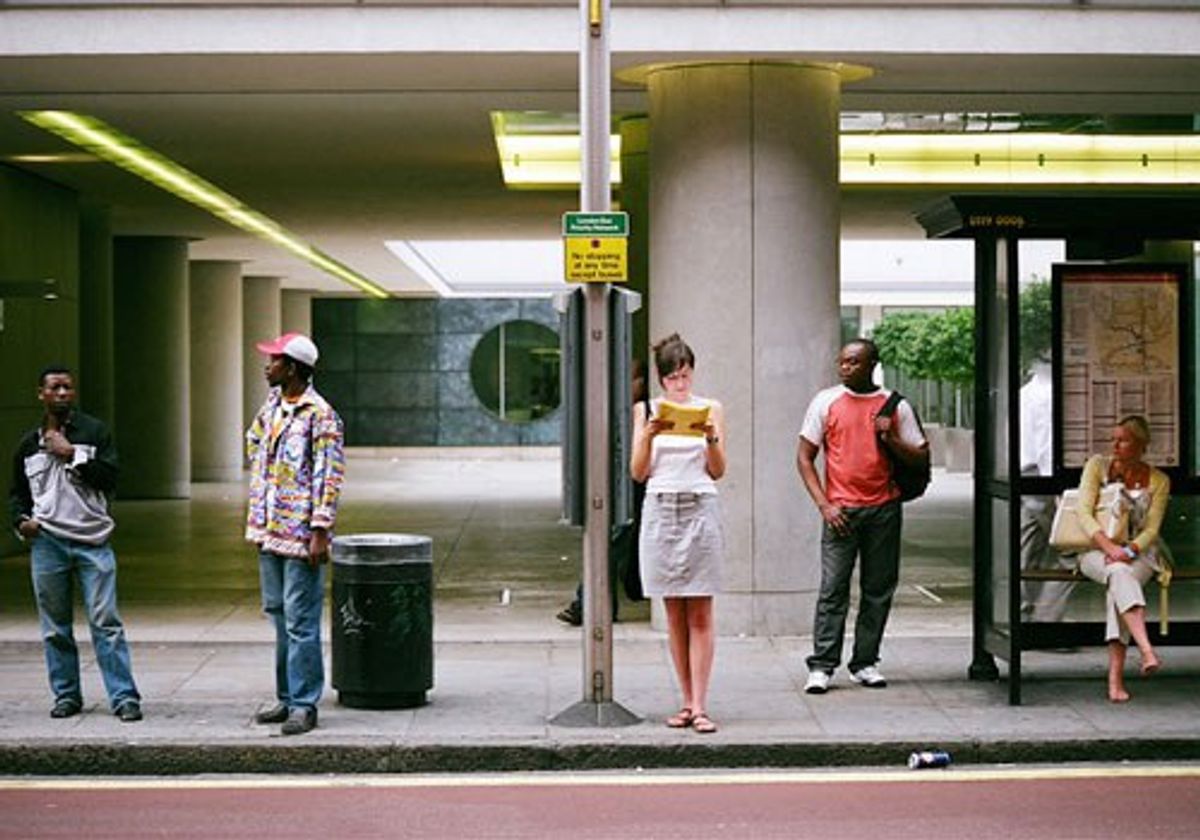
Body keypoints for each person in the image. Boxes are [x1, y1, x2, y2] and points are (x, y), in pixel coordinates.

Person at [9, 367, 142, 722]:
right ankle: (66, 695)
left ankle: (124, 697)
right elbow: (17, 495)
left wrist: (72, 454)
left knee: (105, 621)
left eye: (68, 387)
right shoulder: (27, 444)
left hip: (92, 541)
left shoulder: (95, 432)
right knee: (55, 627)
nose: (63, 393)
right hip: (47, 544)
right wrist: (22, 521)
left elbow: (111, 478)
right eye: (55, 388)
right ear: (41, 393)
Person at [795, 339, 929, 694]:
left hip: (884, 509)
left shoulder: (894, 406)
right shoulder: (825, 402)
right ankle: (822, 666)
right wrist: (824, 504)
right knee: (832, 590)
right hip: (841, 512)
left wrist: (890, 438)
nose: (845, 368)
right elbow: (804, 457)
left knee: (878, 590)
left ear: (872, 364)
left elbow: (920, 457)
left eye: (853, 362)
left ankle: (865, 662)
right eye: (842, 362)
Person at [246, 333, 345, 735]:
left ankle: (304, 704)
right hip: (269, 530)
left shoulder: (321, 414)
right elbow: (253, 441)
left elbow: (330, 475)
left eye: (273, 360)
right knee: (278, 615)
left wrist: (320, 529)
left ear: (292, 367)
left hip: (302, 533)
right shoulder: (272, 406)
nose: (266, 365)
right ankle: (287, 699)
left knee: (301, 622)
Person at [632, 334, 726, 734]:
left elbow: (718, 470)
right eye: (672, 378)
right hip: (660, 507)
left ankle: (701, 705)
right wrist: (649, 434)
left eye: (685, 375)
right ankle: (685, 701)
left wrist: (710, 437)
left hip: (700, 505)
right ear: (661, 378)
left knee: (701, 611)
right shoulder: (646, 410)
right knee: (674, 614)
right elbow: (638, 472)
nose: (680, 385)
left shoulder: (711, 408)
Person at [1074, 415, 1168, 703]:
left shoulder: (1159, 481)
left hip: (1139, 555)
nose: (1115, 445)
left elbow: (1152, 529)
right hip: (1093, 551)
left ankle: (1115, 678)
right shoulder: (1096, 467)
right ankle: (1146, 649)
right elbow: (1083, 512)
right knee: (1118, 573)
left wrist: (1128, 551)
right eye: (1113, 439)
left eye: (1123, 440)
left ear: (1140, 446)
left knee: (1119, 577)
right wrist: (1107, 546)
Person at [556, 357, 649, 626]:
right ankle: (598, 605)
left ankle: (586, 604)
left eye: (629, 379)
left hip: (633, 490)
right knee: (607, 545)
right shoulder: (618, 411)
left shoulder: (641, 413)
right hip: (616, 489)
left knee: (607, 545)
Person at [1019, 358, 1076, 622]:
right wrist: (1054, 485)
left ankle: (1024, 611)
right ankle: (1048, 618)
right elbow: (1046, 443)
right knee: (1071, 550)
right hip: (1042, 478)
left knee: (1029, 548)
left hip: (1025, 476)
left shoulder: (1025, 392)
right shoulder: (1047, 395)